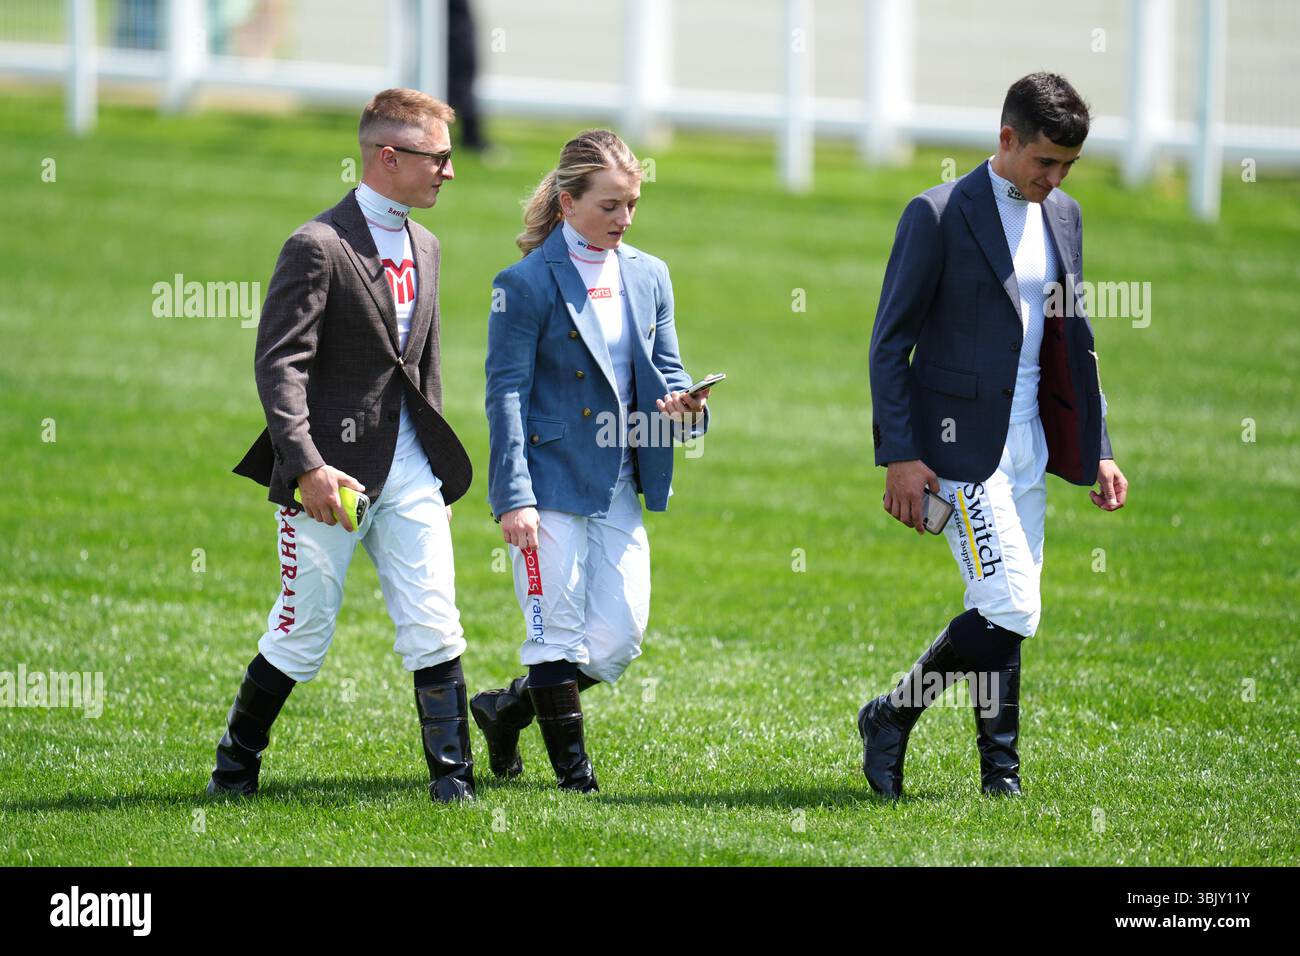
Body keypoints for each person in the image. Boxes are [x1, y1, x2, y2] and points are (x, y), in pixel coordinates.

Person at [861, 72, 1129, 798]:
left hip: (1030, 446)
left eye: (1068, 165)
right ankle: (890, 716)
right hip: (957, 451)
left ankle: (998, 775)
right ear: (1006, 139)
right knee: (1012, 603)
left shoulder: (1065, 215)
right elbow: (890, 345)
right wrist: (902, 456)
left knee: (1002, 611)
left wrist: (1098, 444)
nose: (1056, 177)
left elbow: (1076, 340)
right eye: (1045, 161)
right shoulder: (937, 213)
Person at [209, 88, 478, 803]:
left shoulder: (429, 245)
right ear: (389, 158)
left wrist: (438, 480)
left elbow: (424, 368)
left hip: (412, 466)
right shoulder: (317, 246)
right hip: (327, 477)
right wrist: (307, 469)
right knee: (302, 635)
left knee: (435, 621)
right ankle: (234, 767)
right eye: (438, 158)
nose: (450, 171)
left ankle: (454, 781)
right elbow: (280, 368)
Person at [474, 129, 711, 792]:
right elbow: (506, 396)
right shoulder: (522, 286)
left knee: (615, 642)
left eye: (632, 204)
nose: (624, 218)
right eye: (610, 205)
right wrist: (513, 496)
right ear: (568, 200)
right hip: (548, 483)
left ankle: (505, 709)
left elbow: (668, 371)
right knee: (554, 632)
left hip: (621, 480)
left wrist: (685, 407)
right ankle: (577, 782)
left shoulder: (649, 274)